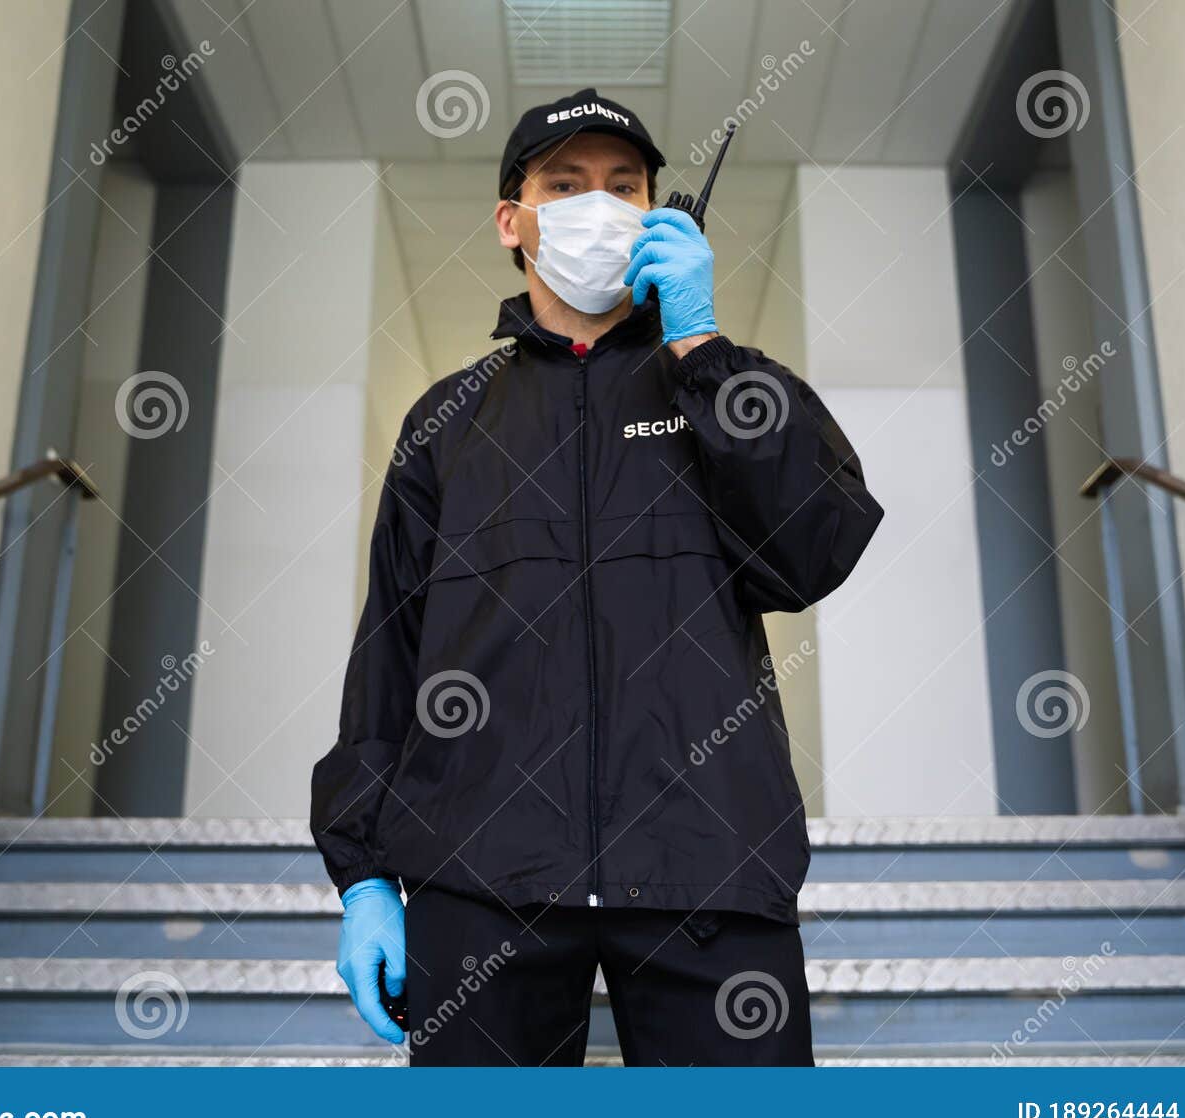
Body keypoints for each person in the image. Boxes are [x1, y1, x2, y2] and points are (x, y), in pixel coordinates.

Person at [311, 88, 882, 1066]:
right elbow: (389, 658)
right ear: (512, 221)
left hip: (707, 866)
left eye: (626, 187)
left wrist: (701, 346)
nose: (598, 205)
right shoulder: (445, 423)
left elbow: (815, 547)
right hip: (481, 875)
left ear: (664, 216)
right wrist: (364, 872)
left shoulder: (726, 389)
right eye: (564, 184)